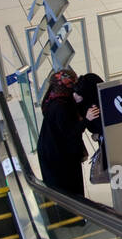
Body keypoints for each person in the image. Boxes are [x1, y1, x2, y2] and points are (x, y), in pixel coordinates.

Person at [37, 68, 88, 197]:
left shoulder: (52, 96)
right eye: (72, 85)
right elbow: (71, 132)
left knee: (56, 187)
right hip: (60, 156)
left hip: (49, 148)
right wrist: (87, 119)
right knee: (69, 190)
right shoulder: (61, 107)